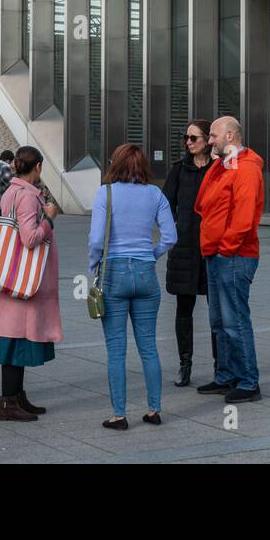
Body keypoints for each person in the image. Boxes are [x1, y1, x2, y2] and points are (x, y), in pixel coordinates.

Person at [88, 144, 177, 431]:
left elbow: (96, 241)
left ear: (116, 163)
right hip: (145, 273)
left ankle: (119, 414)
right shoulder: (155, 193)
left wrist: (94, 266)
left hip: (114, 272)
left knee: (116, 349)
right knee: (148, 346)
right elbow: (170, 236)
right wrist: (152, 253)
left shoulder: (106, 193)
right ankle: (154, 410)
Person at [194, 116, 264, 404]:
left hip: (233, 255)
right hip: (218, 253)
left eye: (213, 136)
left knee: (234, 320)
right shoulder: (226, 166)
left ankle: (248, 381)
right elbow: (201, 203)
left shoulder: (246, 169)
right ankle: (226, 376)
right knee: (220, 321)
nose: (209, 141)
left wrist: (226, 248)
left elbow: (244, 218)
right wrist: (215, 163)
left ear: (231, 136)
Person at [0, 146, 61, 421]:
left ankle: (17, 397)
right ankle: (9, 403)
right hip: (24, 279)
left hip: (13, 275)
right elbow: (30, 238)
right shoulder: (28, 196)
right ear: (39, 167)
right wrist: (50, 221)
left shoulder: (12, 190)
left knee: (14, 339)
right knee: (16, 340)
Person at [163, 119, 216, 388]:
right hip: (184, 248)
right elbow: (166, 203)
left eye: (194, 138)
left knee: (216, 309)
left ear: (208, 139)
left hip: (212, 248)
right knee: (184, 309)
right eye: (186, 137)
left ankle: (222, 366)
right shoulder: (179, 170)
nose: (188, 142)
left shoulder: (218, 169)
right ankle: (185, 364)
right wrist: (177, 227)